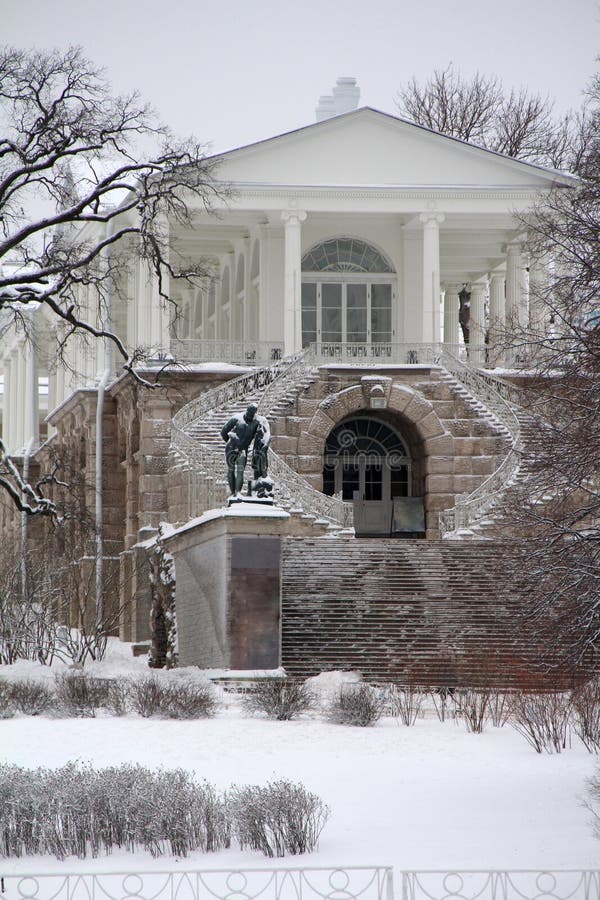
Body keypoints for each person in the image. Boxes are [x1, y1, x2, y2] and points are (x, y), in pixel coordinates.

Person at [220, 404, 260, 496]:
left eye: (251, 414)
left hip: (243, 449)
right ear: (246, 411)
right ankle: (233, 492)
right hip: (231, 447)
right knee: (231, 470)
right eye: (248, 412)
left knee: (240, 471)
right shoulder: (236, 418)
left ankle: (237, 492)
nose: (249, 415)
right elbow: (223, 432)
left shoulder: (256, 423)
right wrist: (230, 442)